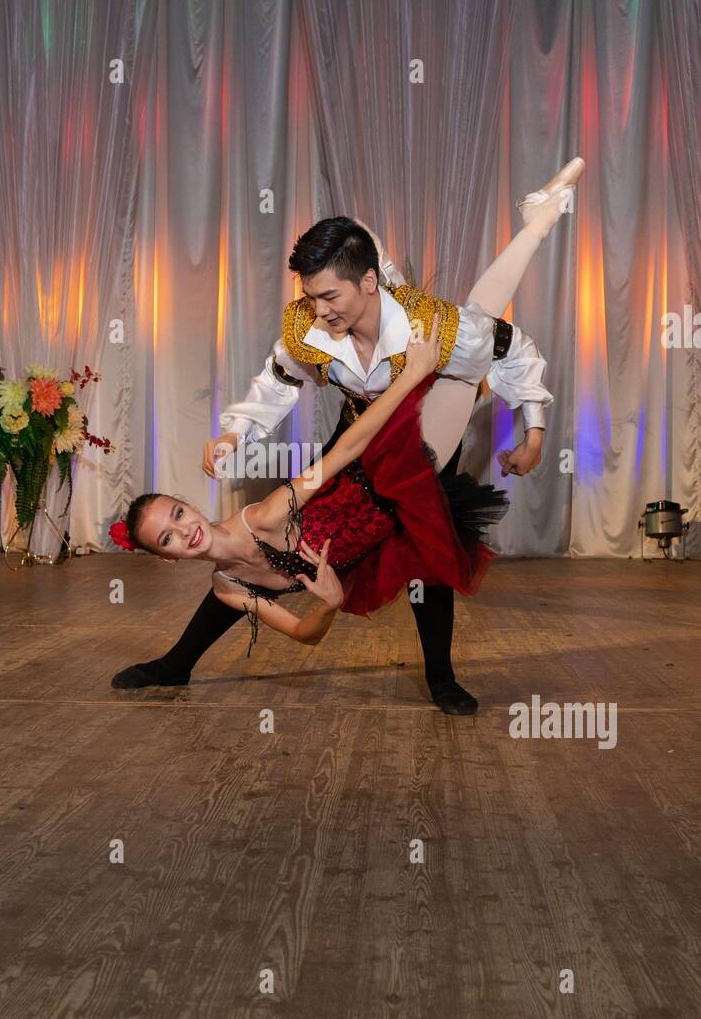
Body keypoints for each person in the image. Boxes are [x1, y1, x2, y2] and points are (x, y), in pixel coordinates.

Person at [111, 158, 585, 711]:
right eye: (310, 296)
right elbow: (279, 380)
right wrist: (234, 433)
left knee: (428, 550)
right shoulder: (308, 325)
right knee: (242, 559)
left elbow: (511, 347)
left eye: (329, 296)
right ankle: (177, 665)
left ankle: (441, 678)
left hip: (432, 407)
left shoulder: (432, 328)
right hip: (361, 424)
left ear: (368, 282)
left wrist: (534, 431)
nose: (318, 310)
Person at [110, 316, 510, 661]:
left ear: (187, 504)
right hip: (382, 535)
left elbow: (349, 447)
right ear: (167, 558)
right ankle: (175, 666)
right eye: (168, 538)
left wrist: (410, 377)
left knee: (469, 355)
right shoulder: (226, 586)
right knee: (428, 563)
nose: (185, 531)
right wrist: (330, 605)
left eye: (178, 515)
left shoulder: (269, 513)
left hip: (390, 472)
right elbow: (305, 633)